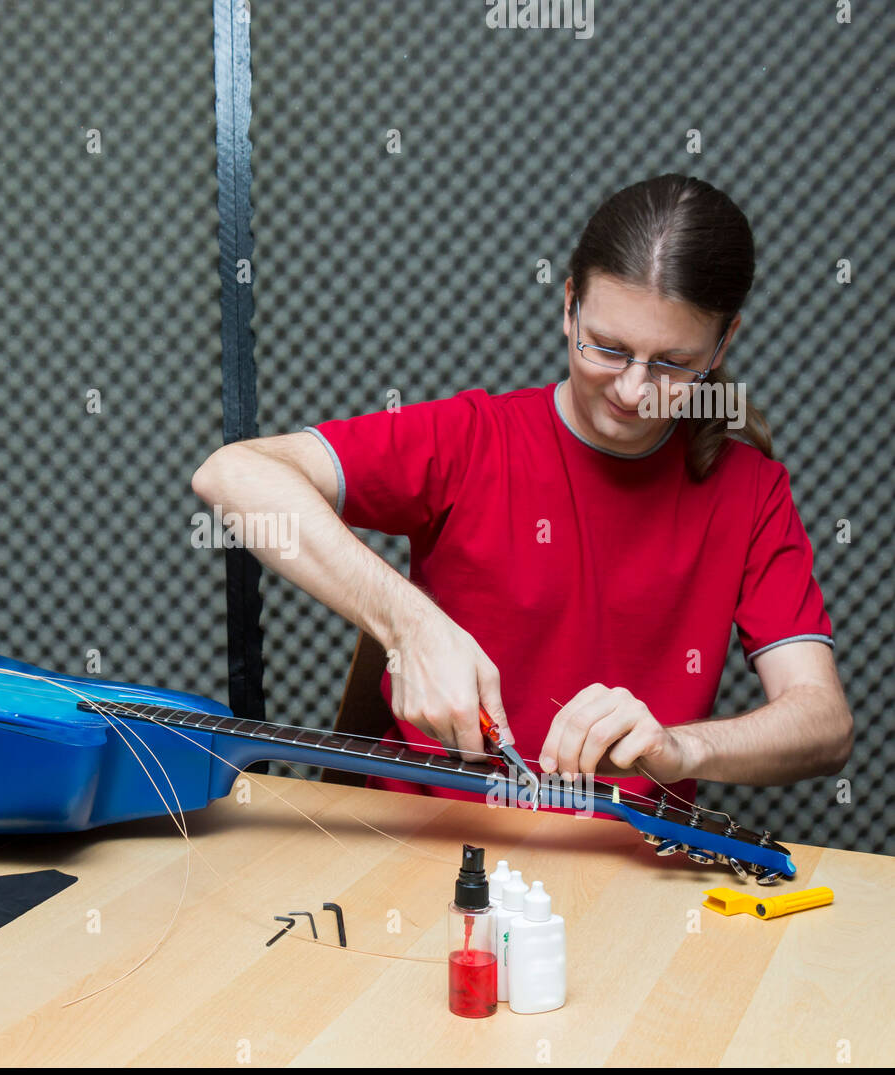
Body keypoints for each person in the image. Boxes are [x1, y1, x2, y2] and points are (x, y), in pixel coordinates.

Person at [191, 173, 852, 812]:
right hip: (428, 850)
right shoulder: (474, 438)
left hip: (625, 868)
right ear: (568, 306)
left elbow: (823, 725)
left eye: (673, 364)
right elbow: (232, 474)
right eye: (607, 348)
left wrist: (682, 747)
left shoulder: (753, 491)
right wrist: (411, 626)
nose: (631, 389)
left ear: (723, 343)